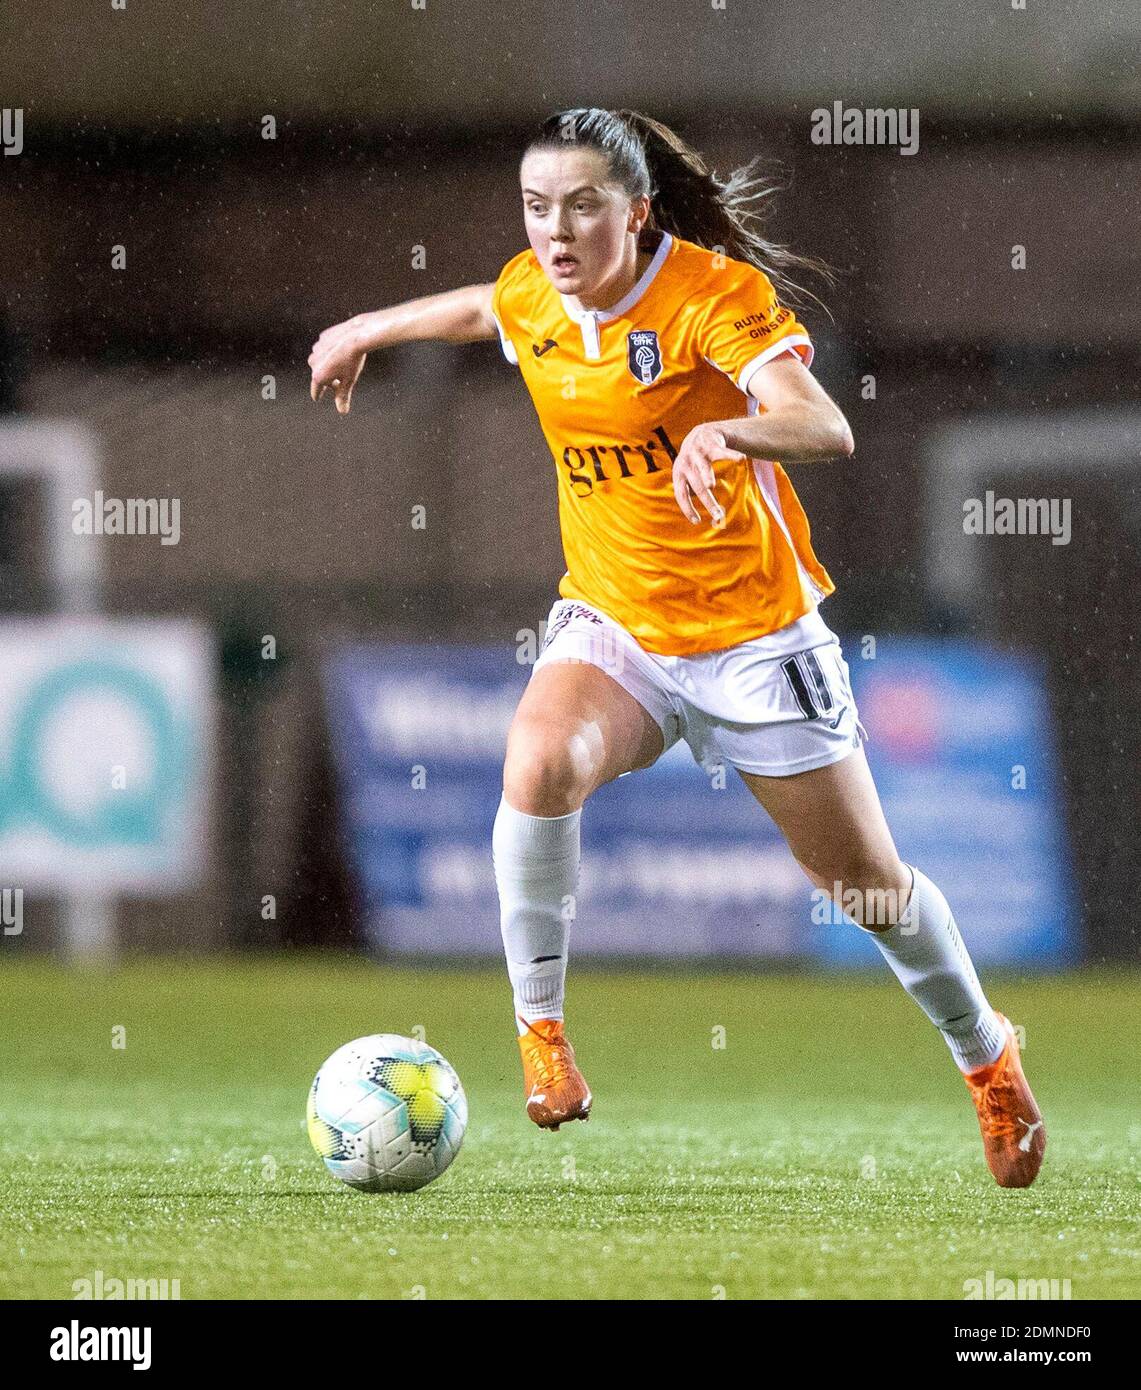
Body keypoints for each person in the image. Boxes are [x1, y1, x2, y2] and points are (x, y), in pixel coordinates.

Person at [309, 107, 1045, 1188]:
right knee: (538, 762)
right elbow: (484, 308)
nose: (555, 231)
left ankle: (984, 1053)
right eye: (535, 206)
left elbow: (823, 424)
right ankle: (542, 1036)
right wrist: (365, 326)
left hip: (754, 637)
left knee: (866, 887)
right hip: (617, 625)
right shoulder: (535, 290)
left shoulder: (711, 294)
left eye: (582, 206)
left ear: (637, 209)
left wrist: (725, 428)